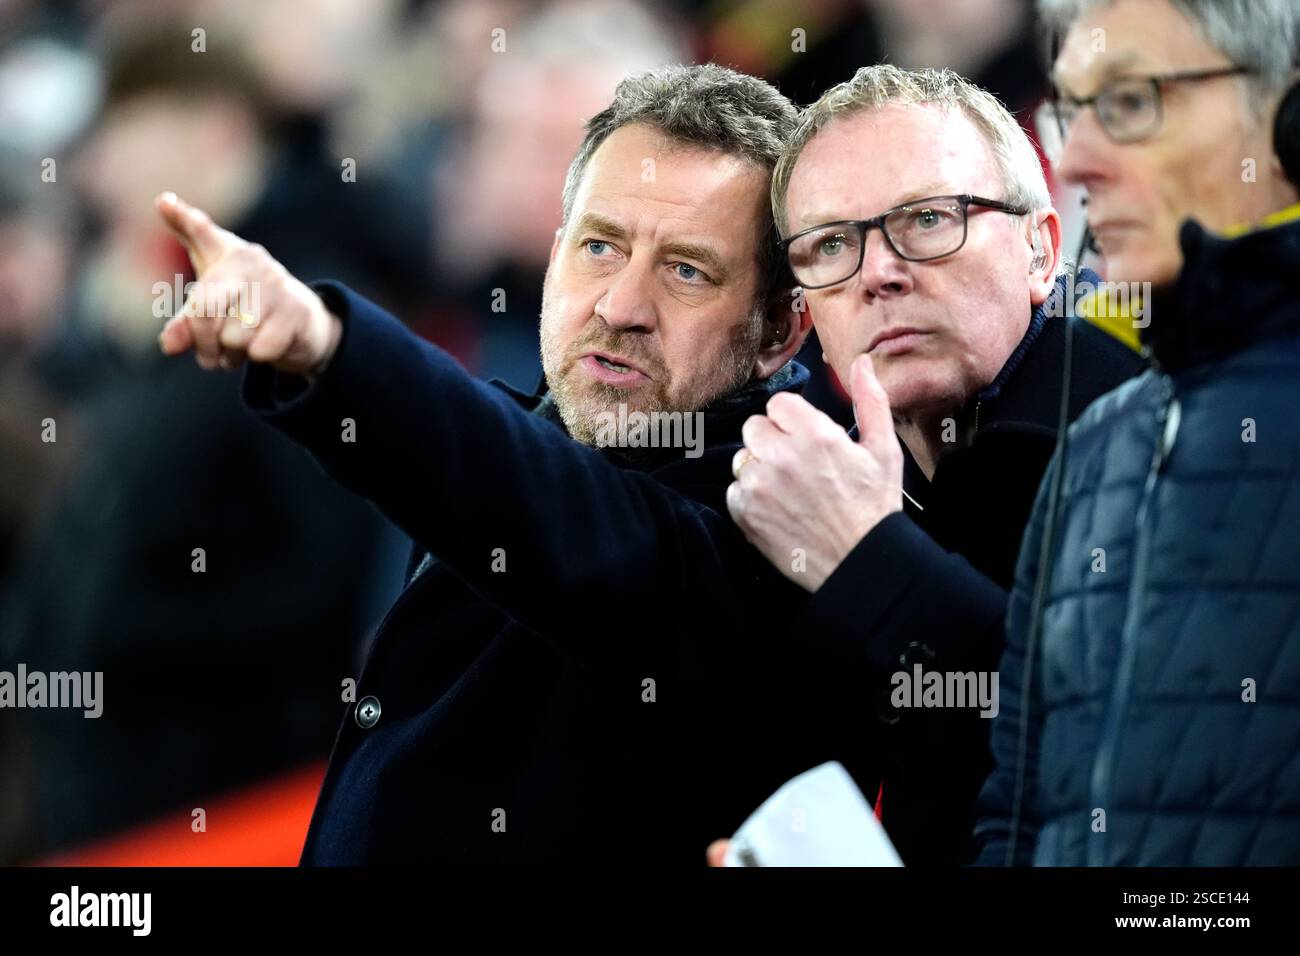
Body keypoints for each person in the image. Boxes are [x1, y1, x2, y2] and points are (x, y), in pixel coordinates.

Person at [155, 64, 821, 865]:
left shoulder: (764, 526)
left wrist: (325, 345)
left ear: (781, 330)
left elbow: (531, 496)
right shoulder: (532, 435)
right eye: (600, 247)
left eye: (686, 270)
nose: (620, 307)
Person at [717, 65, 1145, 865]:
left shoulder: (1139, 442)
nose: (879, 271)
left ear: (1040, 250)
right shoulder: (825, 481)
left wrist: (870, 561)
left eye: (928, 218)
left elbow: (1102, 756)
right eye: (832, 244)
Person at [973, 0, 1300, 865]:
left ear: (1289, 124)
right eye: (1072, 113)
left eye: (1130, 102)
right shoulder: (1097, 447)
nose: (1075, 160)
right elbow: (1017, 814)